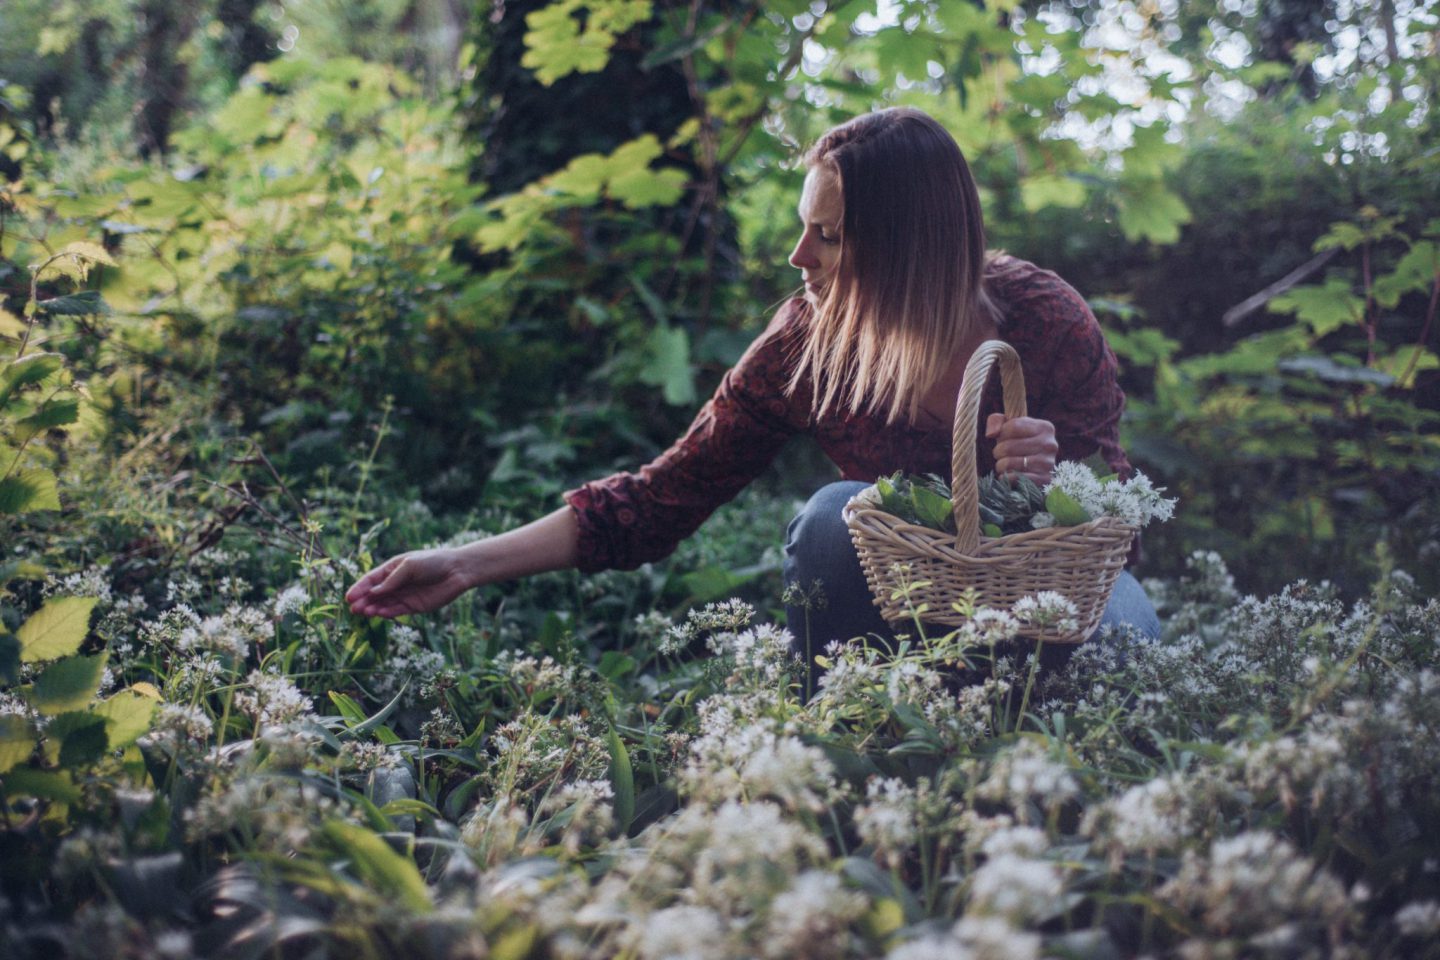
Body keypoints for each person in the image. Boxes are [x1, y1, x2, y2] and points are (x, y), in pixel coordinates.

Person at [345, 107, 1160, 670]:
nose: (797, 257)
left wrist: (1056, 491)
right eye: (803, 226)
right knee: (834, 515)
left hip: (1047, 599)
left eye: (829, 236)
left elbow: (1122, 534)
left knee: (1130, 646)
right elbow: (662, 496)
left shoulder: (1044, 320)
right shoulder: (807, 340)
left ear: (911, 249)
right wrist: (462, 564)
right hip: (904, 627)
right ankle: (851, 744)